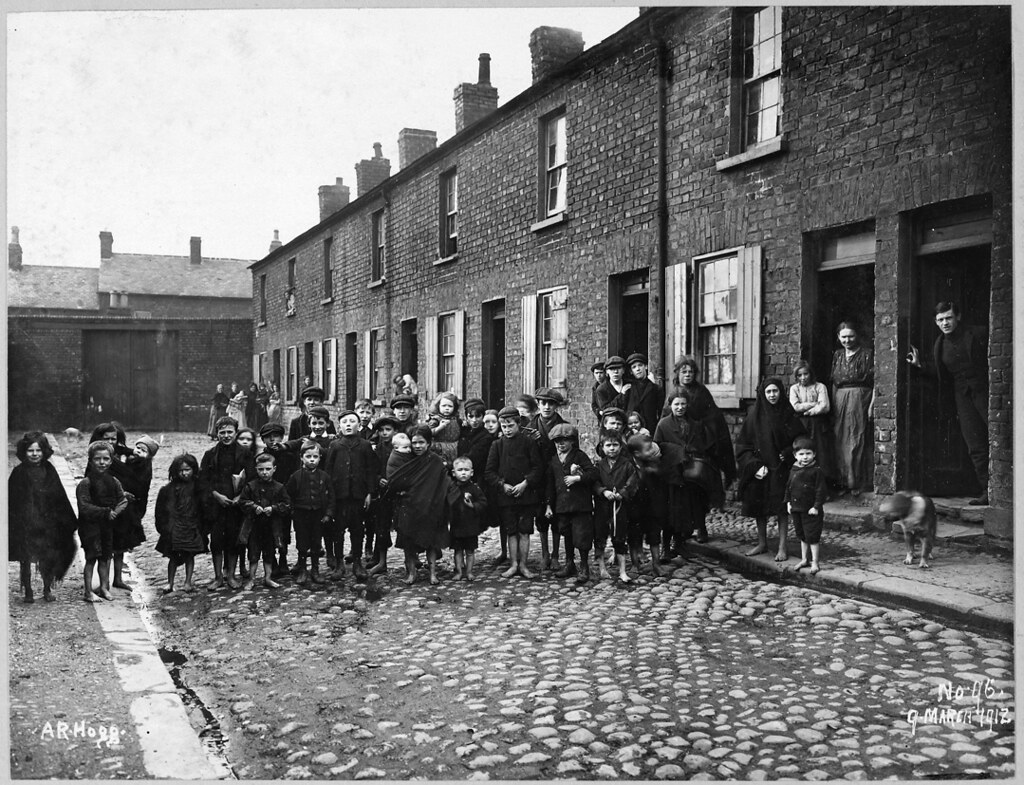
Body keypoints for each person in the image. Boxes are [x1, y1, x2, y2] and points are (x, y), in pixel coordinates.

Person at [907, 301, 990, 505]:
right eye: (940, 319)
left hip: (986, 392)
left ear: (958, 317)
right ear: (936, 322)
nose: (945, 322)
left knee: (1001, 438)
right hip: (963, 397)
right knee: (975, 445)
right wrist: (920, 365)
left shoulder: (978, 333)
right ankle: (988, 490)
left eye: (948, 318)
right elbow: (942, 373)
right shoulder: (940, 344)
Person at [735, 377, 806, 561]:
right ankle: (762, 543)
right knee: (759, 507)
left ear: (781, 392)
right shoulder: (754, 416)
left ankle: (782, 547)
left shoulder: (787, 414)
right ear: (763, 394)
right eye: (768, 392)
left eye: (775, 391)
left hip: (781, 468)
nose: (772, 395)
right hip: (761, 469)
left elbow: (801, 440)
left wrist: (789, 452)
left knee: (781, 508)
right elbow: (743, 445)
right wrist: (755, 466)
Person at [8, 431, 78, 603]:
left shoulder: (50, 470)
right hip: (26, 523)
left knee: (48, 556)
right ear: (24, 452)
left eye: (38, 450)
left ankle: (47, 588)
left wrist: (66, 520)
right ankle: (28, 590)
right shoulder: (18, 473)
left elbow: (59, 495)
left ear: (44, 451)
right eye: (30, 451)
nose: (34, 454)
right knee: (25, 558)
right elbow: (12, 500)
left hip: (47, 522)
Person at [485, 406, 546, 579]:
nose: (507, 430)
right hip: (506, 497)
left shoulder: (529, 443)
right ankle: (513, 565)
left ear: (518, 424)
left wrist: (525, 483)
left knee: (524, 531)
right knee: (511, 531)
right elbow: (489, 472)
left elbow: (537, 467)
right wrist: (501, 485)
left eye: (510, 425)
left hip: (526, 496)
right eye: (503, 426)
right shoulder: (497, 445)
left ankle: (524, 565)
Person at [388, 425, 451, 585]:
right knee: (408, 544)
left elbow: (443, 483)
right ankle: (411, 573)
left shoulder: (435, 460)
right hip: (409, 507)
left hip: (431, 508)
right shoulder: (406, 458)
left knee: (431, 543)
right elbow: (396, 480)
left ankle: (432, 573)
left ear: (429, 443)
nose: (417, 446)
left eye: (421, 442)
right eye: (414, 442)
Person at [664, 356, 737, 493]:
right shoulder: (673, 391)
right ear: (678, 373)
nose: (687, 375)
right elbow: (665, 414)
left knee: (698, 476)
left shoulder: (701, 391)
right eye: (684, 372)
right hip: (676, 438)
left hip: (697, 439)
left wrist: (700, 429)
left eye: (690, 372)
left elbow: (714, 416)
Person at [653, 391, 716, 547]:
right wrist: (677, 451)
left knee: (696, 500)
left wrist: (692, 450)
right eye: (676, 404)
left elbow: (704, 445)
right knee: (674, 506)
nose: (680, 408)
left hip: (692, 470)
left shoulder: (695, 424)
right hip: (672, 472)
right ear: (670, 405)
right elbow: (656, 446)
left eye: (683, 404)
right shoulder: (663, 424)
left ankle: (698, 529)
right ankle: (673, 540)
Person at [200, 415, 256, 589]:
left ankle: (231, 575)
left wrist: (241, 497)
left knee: (233, 540)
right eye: (222, 432)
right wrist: (216, 495)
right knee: (216, 541)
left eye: (229, 432)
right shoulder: (210, 455)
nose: (226, 436)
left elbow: (252, 479)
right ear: (216, 434)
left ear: (235, 432)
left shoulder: (245, 454)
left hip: (236, 506)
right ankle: (218, 577)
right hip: (216, 505)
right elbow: (203, 480)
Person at [323, 410, 378, 581]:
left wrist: (369, 493)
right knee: (338, 530)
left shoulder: (365, 445)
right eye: (344, 422)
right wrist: (329, 494)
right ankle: (339, 564)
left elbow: (371, 470)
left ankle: (357, 563)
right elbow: (328, 471)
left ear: (359, 425)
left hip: (358, 495)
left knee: (357, 529)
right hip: (339, 496)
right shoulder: (335, 445)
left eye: (352, 421)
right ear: (339, 426)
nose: (348, 424)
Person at [543, 424, 597, 581]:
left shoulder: (579, 456)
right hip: (562, 505)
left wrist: (578, 478)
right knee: (567, 534)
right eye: (557, 441)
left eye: (565, 440)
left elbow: (593, 473)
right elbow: (550, 485)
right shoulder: (553, 461)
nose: (561, 444)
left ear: (572, 441)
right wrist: (548, 505)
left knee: (582, 536)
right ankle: (569, 563)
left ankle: (584, 566)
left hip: (580, 505)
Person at [77, 441, 128, 602]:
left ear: (111, 461)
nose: (102, 462)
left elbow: (123, 500)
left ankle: (104, 588)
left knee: (105, 557)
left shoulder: (114, 481)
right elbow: (84, 506)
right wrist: (105, 512)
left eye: (106, 459)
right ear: (91, 460)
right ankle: (87, 591)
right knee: (91, 557)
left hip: (107, 526)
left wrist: (114, 513)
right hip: (90, 527)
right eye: (97, 459)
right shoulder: (85, 483)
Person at [829, 321, 874, 496]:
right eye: (844, 337)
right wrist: (833, 405)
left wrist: (871, 405)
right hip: (840, 399)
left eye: (851, 336)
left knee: (858, 438)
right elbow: (834, 382)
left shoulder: (867, 355)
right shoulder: (838, 355)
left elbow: (876, 382)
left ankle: (859, 482)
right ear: (838, 337)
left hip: (860, 399)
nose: (847, 340)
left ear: (857, 336)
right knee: (840, 439)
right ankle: (844, 482)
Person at [110, 435, 159, 590]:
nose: (138, 452)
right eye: (137, 448)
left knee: (119, 546)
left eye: (143, 451)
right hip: (125, 505)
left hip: (131, 508)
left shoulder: (143, 466)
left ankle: (116, 578)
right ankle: (113, 578)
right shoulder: (135, 459)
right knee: (116, 546)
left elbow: (130, 479)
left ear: (150, 456)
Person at [154, 453, 207, 594]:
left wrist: (202, 527)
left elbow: (204, 508)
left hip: (191, 526)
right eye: (181, 470)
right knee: (173, 557)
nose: (184, 473)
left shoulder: (198, 488)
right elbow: (160, 512)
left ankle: (188, 582)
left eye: (187, 469)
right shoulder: (167, 490)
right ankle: (170, 583)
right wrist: (164, 528)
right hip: (174, 528)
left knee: (189, 555)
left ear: (194, 470)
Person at [284, 440, 335, 586]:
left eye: (315, 457)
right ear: (301, 458)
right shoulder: (296, 476)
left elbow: (331, 497)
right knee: (302, 543)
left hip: (318, 515)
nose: (312, 460)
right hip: (301, 515)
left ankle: (315, 570)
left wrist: (328, 514)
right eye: (308, 456)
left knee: (315, 543)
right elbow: (288, 495)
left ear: (320, 458)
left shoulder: (324, 476)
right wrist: (293, 511)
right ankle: (303, 570)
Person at [238, 453, 291, 590]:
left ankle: (268, 578)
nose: (264, 472)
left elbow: (287, 504)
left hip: (271, 527)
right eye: (261, 469)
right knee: (253, 554)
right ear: (256, 469)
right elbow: (242, 502)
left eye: (268, 469)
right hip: (254, 527)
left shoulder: (279, 487)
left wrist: (273, 508)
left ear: (274, 469)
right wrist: (253, 506)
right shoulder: (250, 486)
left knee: (269, 553)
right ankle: (251, 579)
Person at [593, 430, 638, 582]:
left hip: (620, 507)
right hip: (602, 506)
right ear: (603, 447)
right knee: (600, 536)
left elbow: (632, 482)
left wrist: (622, 493)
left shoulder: (627, 465)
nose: (612, 448)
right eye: (608, 445)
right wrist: (603, 491)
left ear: (620, 447)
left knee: (619, 537)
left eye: (615, 445)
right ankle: (602, 568)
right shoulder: (599, 465)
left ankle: (623, 571)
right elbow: (594, 482)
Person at [530, 387, 567, 568]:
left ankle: (555, 555)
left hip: (556, 475)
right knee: (541, 516)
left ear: (556, 407)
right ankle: (544, 553)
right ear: (538, 404)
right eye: (543, 403)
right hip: (539, 478)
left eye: (551, 404)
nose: (546, 407)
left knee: (558, 516)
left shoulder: (563, 426)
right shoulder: (530, 426)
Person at [788, 360, 836, 488]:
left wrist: (810, 411)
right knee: (803, 450)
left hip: (818, 424)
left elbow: (825, 406)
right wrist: (815, 404)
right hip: (801, 424)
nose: (803, 377)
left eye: (806, 374)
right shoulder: (794, 389)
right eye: (799, 375)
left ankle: (822, 487)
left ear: (811, 374)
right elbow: (795, 407)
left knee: (820, 453)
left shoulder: (820, 387)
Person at [784, 437, 828, 574]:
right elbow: (789, 487)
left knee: (812, 536)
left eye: (808, 453)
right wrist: (788, 502)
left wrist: (816, 506)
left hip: (811, 510)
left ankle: (815, 561)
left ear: (814, 454)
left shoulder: (816, 471)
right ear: (795, 455)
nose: (805, 457)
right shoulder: (794, 469)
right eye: (801, 454)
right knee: (802, 535)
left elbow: (821, 491)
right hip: (797, 508)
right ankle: (804, 559)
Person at [259, 422, 296, 579]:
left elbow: (293, 477)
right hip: (266, 500)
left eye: (276, 437)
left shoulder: (289, 457)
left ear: (282, 437)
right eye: (268, 438)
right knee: (267, 531)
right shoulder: (261, 458)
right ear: (263, 440)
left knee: (284, 530)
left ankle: (283, 560)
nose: (273, 440)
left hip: (284, 498)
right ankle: (272, 561)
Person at [367, 415, 400, 576]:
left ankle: (412, 558)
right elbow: (371, 469)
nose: (385, 433)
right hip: (383, 493)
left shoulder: (401, 447)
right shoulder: (376, 449)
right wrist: (378, 479)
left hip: (399, 491)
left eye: (388, 430)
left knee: (404, 524)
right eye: (381, 431)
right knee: (381, 525)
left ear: (395, 431)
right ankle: (381, 561)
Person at [447, 456, 488, 582]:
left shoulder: (475, 488)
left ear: (472, 472)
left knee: (470, 551)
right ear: (454, 473)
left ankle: (469, 572)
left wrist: (473, 505)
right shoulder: (451, 488)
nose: (463, 473)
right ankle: (459, 571)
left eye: (466, 470)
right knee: (458, 551)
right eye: (460, 470)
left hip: (470, 525)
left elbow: (483, 503)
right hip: (457, 525)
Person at [615, 353, 665, 436]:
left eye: (640, 365)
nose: (638, 369)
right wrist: (622, 394)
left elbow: (661, 411)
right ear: (631, 371)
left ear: (645, 366)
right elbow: (622, 408)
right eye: (634, 367)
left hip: (650, 429)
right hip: (631, 429)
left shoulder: (656, 388)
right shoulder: (628, 388)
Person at [427, 392, 462, 466]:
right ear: (438, 406)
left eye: (450, 406)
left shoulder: (456, 419)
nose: (447, 408)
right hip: (439, 449)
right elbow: (428, 433)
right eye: (444, 406)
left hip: (454, 448)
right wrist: (440, 427)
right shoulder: (435, 420)